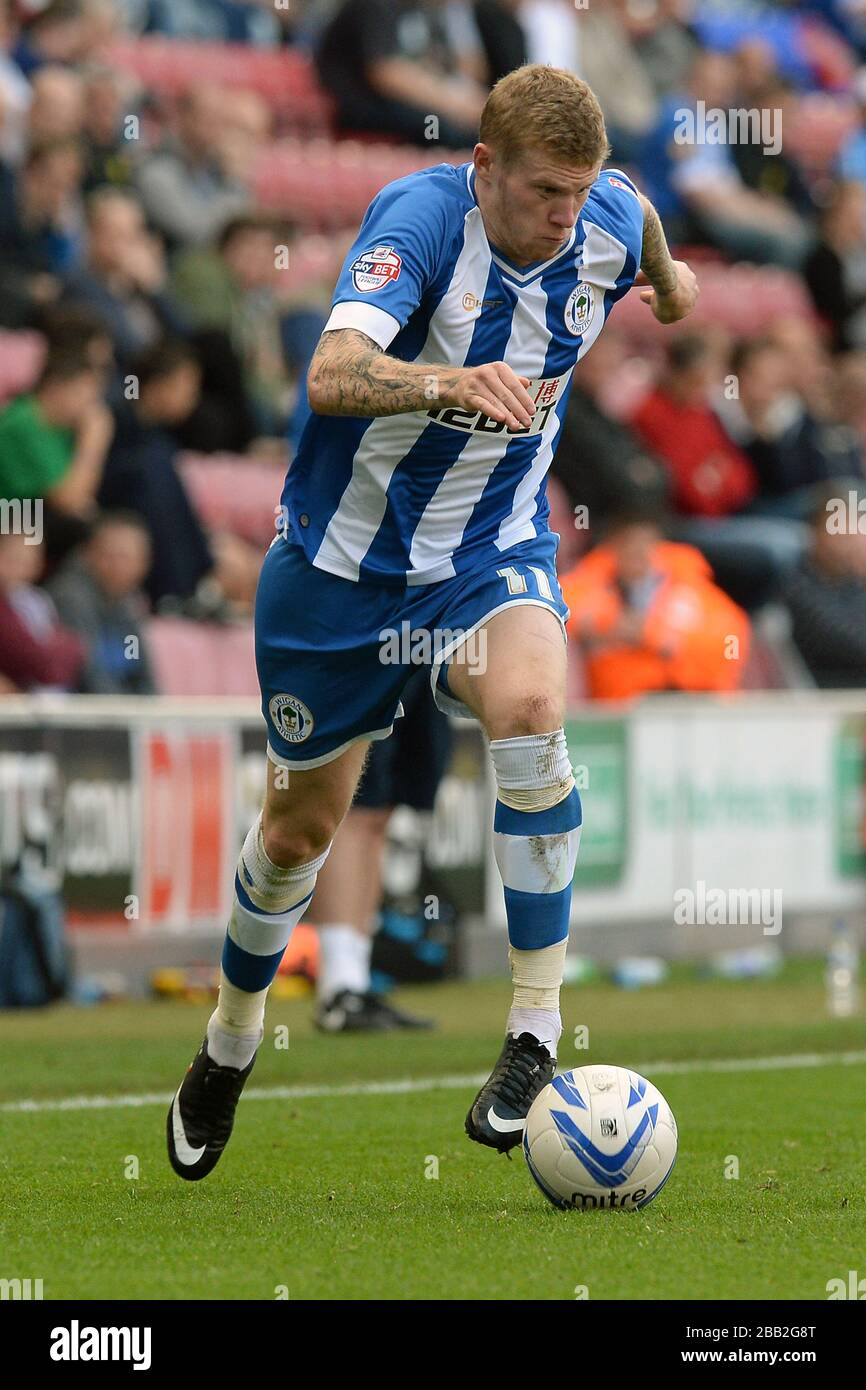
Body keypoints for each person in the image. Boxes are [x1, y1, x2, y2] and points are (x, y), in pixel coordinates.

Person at [165, 62, 698, 1182]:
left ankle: (531, 1034)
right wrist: (444, 385)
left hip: (487, 551)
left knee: (533, 708)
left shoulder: (600, 210)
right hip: (339, 571)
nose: (565, 215)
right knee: (298, 833)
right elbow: (328, 372)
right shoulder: (419, 219)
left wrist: (669, 276)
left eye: (579, 191)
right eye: (544, 191)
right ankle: (228, 1040)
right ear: (485, 168)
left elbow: (638, 212)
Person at [312, 668, 451, 1032]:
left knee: (380, 810)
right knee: (354, 804)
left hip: (427, 640)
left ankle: (356, 979)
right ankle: (339, 986)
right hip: (370, 635)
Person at [561, 510, 751, 700]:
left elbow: (729, 639)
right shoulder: (589, 582)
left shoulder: (690, 586)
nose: (636, 552)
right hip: (618, 707)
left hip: (690, 700)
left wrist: (652, 636)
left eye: (644, 543)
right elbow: (561, 608)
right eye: (627, 543)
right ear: (613, 546)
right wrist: (606, 624)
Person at [47, 510, 157, 695]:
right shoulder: (71, 597)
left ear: (144, 563)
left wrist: (151, 711)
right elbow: (88, 674)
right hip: (79, 716)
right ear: (88, 553)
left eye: (127, 558)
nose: (118, 566)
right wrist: (129, 715)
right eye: (110, 555)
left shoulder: (128, 603)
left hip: (119, 713)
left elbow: (137, 668)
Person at [783, 484, 866, 688]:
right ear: (815, 531)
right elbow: (847, 641)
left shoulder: (851, 583)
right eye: (841, 530)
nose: (852, 542)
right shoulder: (795, 583)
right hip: (827, 694)